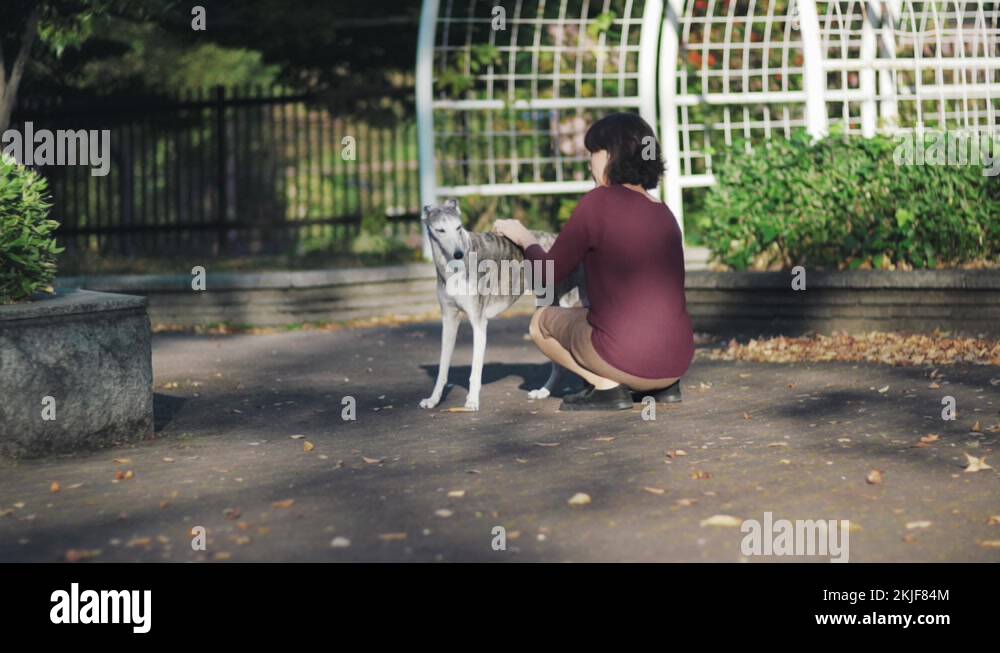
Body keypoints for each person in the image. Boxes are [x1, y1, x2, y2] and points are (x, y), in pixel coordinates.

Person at [493, 112, 694, 411]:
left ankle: (606, 387)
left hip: (626, 360)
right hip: (677, 363)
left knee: (540, 323)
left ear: (613, 154)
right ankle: (662, 387)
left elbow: (548, 274)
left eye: (594, 153)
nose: (590, 163)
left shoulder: (597, 203)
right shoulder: (663, 211)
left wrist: (524, 238)